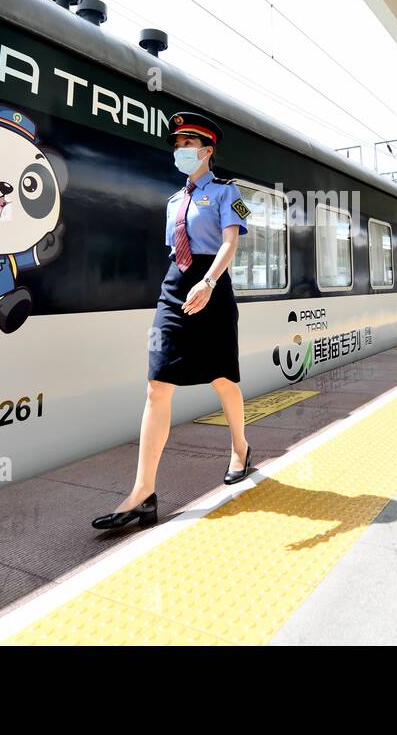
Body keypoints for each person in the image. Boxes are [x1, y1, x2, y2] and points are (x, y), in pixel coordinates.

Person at [93, 110, 251, 531]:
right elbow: (175, 252)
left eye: (187, 145)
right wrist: (188, 283)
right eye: (177, 145)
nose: (180, 151)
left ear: (207, 150)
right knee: (156, 384)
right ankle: (143, 493)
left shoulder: (226, 192)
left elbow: (230, 243)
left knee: (222, 378)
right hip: (175, 286)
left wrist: (209, 282)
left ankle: (240, 448)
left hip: (212, 288)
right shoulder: (173, 201)